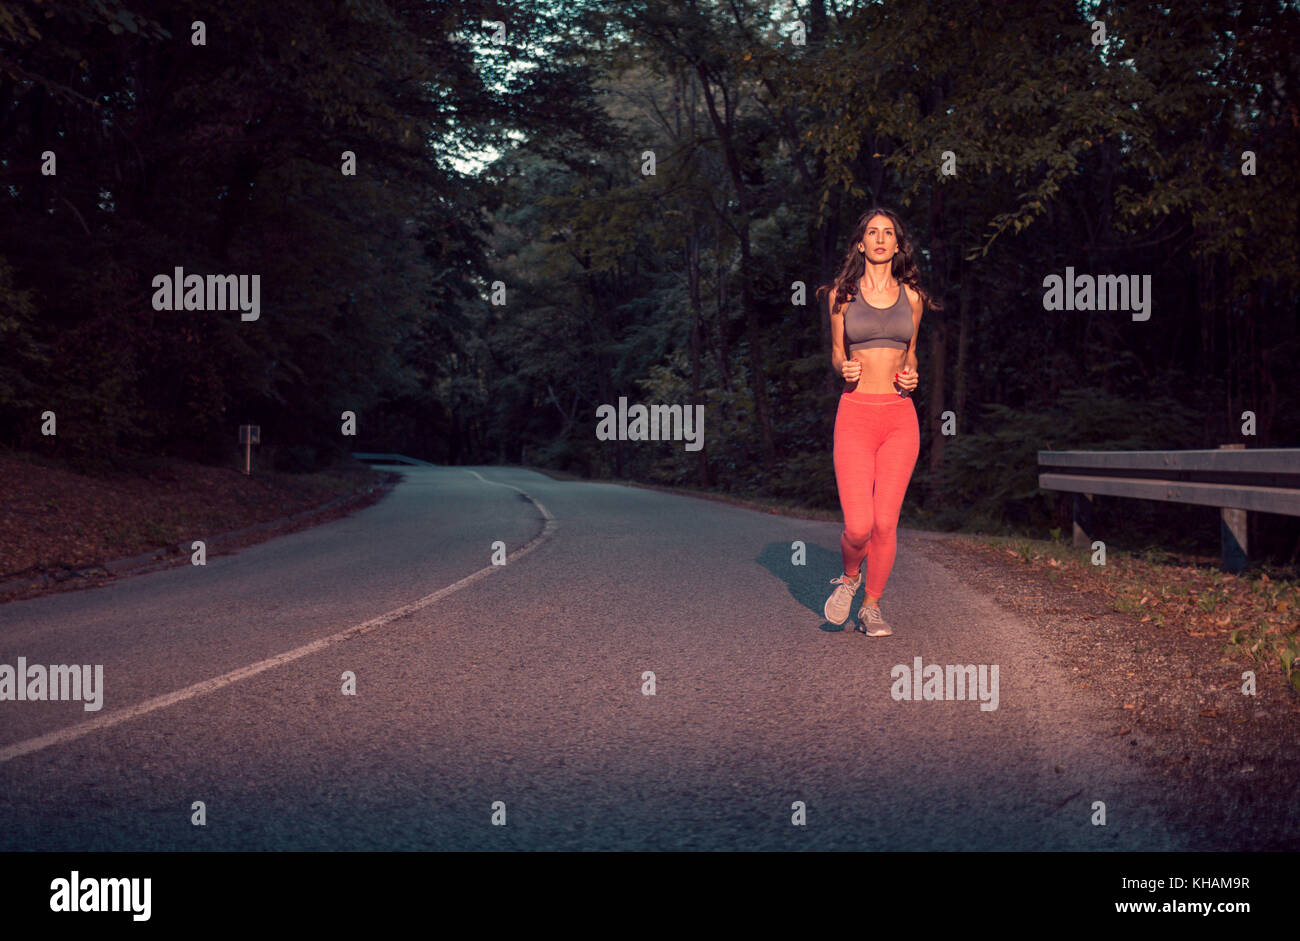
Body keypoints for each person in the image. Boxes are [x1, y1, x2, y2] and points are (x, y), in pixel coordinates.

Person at [814, 209, 941, 636]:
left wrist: (912, 374)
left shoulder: (913, 297)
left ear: (898, 244)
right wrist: (844, 367)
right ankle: (850, 578)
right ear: (860, 244)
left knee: (886, 524)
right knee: (858, 526)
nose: (881, 239)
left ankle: (871, 606)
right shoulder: (840, 295)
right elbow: (836, 351)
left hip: (899, 417)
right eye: (873, 232)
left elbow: (912, 353)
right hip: (855, 414)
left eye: (889, 233)